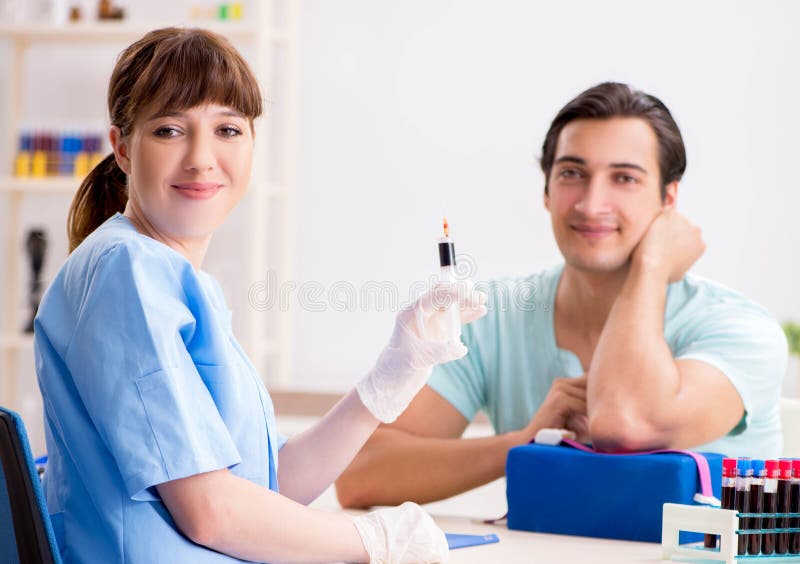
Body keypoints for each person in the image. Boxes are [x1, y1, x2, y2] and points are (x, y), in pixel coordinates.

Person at [33, 27, 486, 563]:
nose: (202, 158)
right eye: (170, 130)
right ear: (122, 149)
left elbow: (268, 489)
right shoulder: (127, 271)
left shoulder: (176, 281)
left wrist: (389, 380)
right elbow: (211, 513)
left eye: (227, 129)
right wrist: (375, 542)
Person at [335, 81, 788, 509]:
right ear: (547, 191)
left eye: (625, 178)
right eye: (572, 173)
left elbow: (625, 424)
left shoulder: (741, 330)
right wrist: (525, 444)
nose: (591, 204)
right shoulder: (493, 318)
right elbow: (358, 475)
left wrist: (651, 266)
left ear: (669, 199)